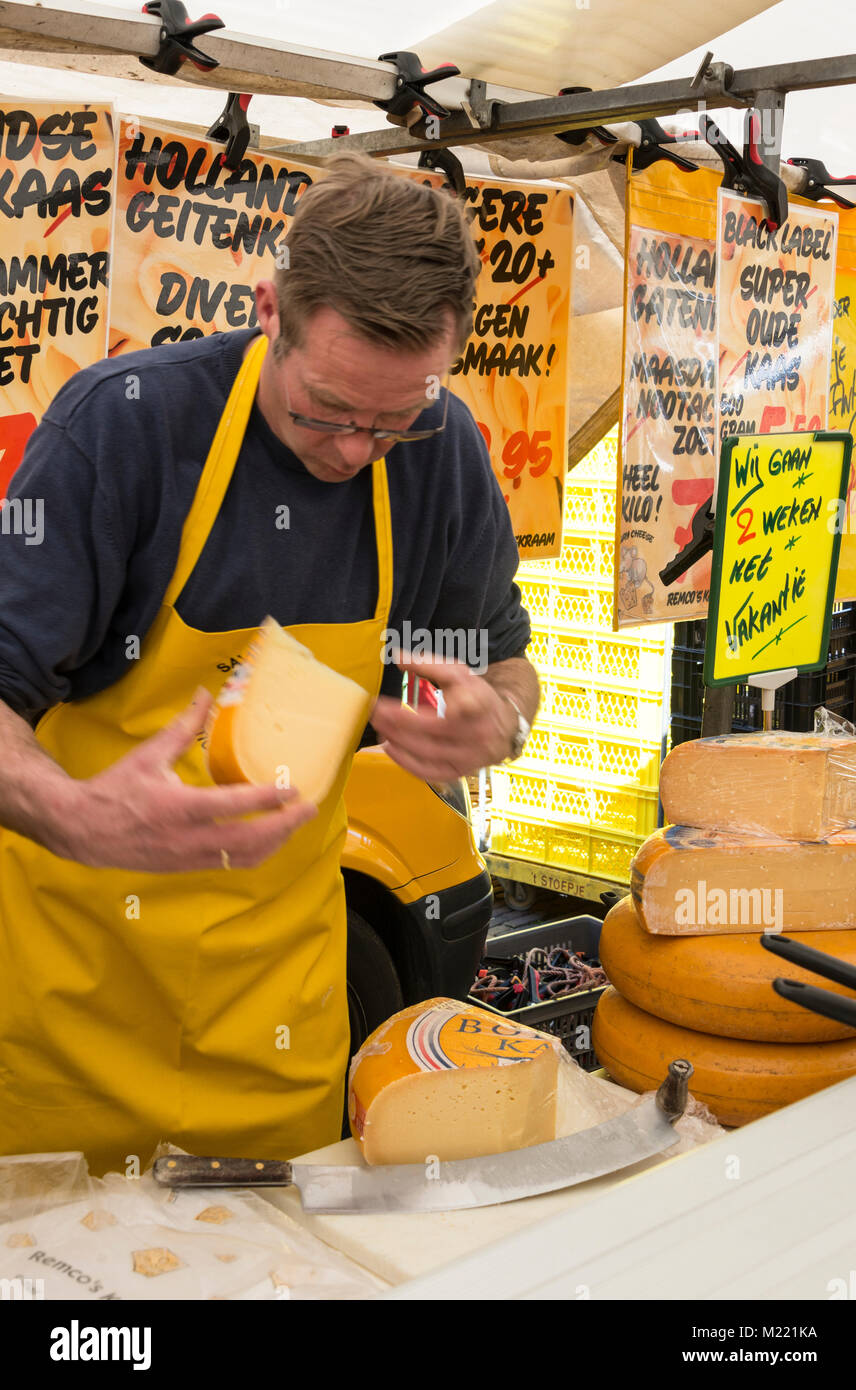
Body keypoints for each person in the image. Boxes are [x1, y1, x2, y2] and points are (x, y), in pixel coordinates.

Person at [0, 150, 539, 1176]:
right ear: (267, 312)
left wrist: (500, 719)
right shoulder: (120, 431)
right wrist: (74, 810)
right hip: (63, 1023)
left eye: (394, 419)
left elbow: (509, 665)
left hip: (273, 1036)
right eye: (327, 410)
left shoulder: (444, 453)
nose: (354, 451)